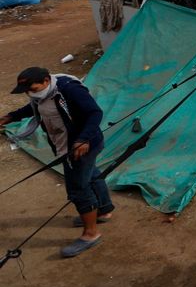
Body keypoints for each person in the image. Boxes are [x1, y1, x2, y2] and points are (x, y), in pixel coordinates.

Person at [2, 67, 113, 258]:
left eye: (33, 89)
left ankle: (91, 234)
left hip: (80, 147)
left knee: (78, 189)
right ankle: (103, 211)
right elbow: (35, 106)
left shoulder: (69, 90)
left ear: (46, 80)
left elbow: (94, 113)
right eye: (27, 91)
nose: (31, 93)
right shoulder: (42, 94)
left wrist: (83, 139)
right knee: (92, 175)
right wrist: (11, 116)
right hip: (67, 144)